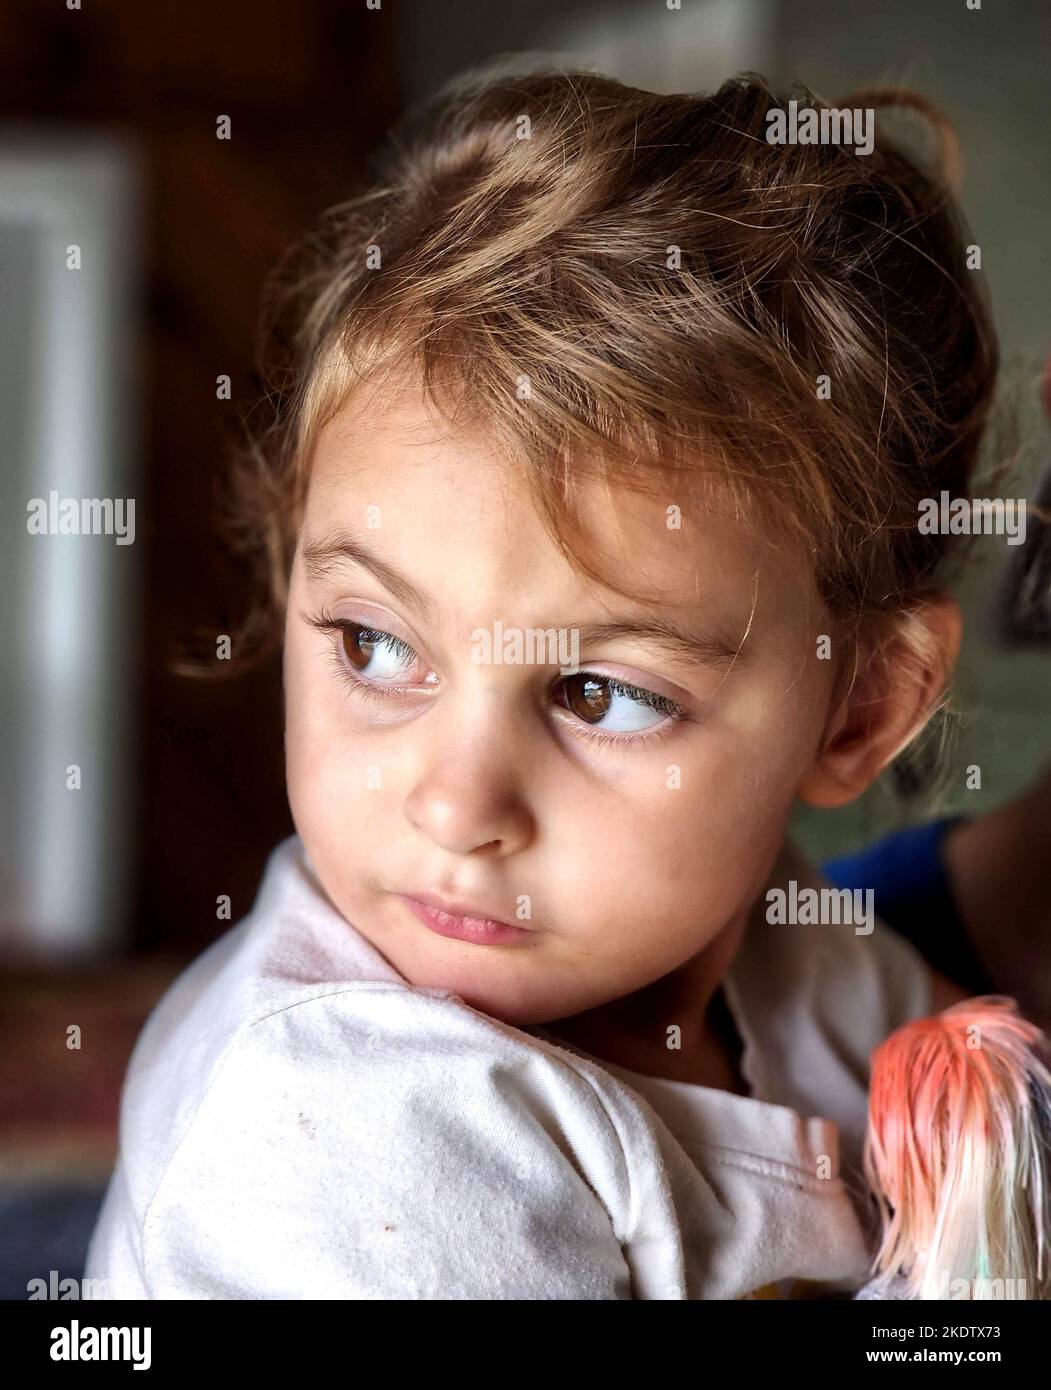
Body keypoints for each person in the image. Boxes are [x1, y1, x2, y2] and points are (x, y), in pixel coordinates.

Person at [85, 65, 1036, 1299]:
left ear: (859, 706)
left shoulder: (787, 959)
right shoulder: (345, 1129)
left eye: (601, 694)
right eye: (377, 645)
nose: (456, 804)